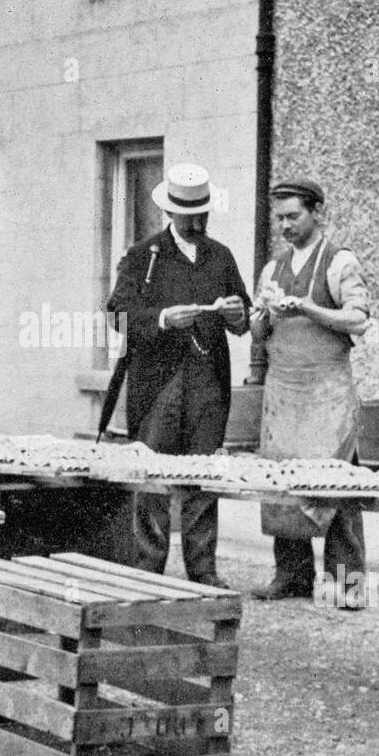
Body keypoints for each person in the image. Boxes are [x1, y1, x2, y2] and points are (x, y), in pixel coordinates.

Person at [106, 164, 251, 587]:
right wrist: (164, 319)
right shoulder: (144, 256)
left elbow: (243, 315)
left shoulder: (219, 256)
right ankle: (148, 571)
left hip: (207, 381)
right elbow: (118, 314)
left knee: (202, 478)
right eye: (190, 216)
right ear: (170, 213)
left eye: (203, 213)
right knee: (152, 477)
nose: (198, 222)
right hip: (158, 384)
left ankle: (203, 573)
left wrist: (237, 313)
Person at [250, 179, 371, 602]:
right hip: (284, 390)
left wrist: (307, 307)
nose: (284, 225)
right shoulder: (272, 269)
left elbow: (358, 319)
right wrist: (262, 313)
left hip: (327, 391)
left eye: (293, 216)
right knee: (283, 484)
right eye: (279, 218)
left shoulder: (339, 262)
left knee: (334, 487)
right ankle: (292, 575)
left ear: (317, 212)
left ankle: (347, 585)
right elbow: (259, 332)